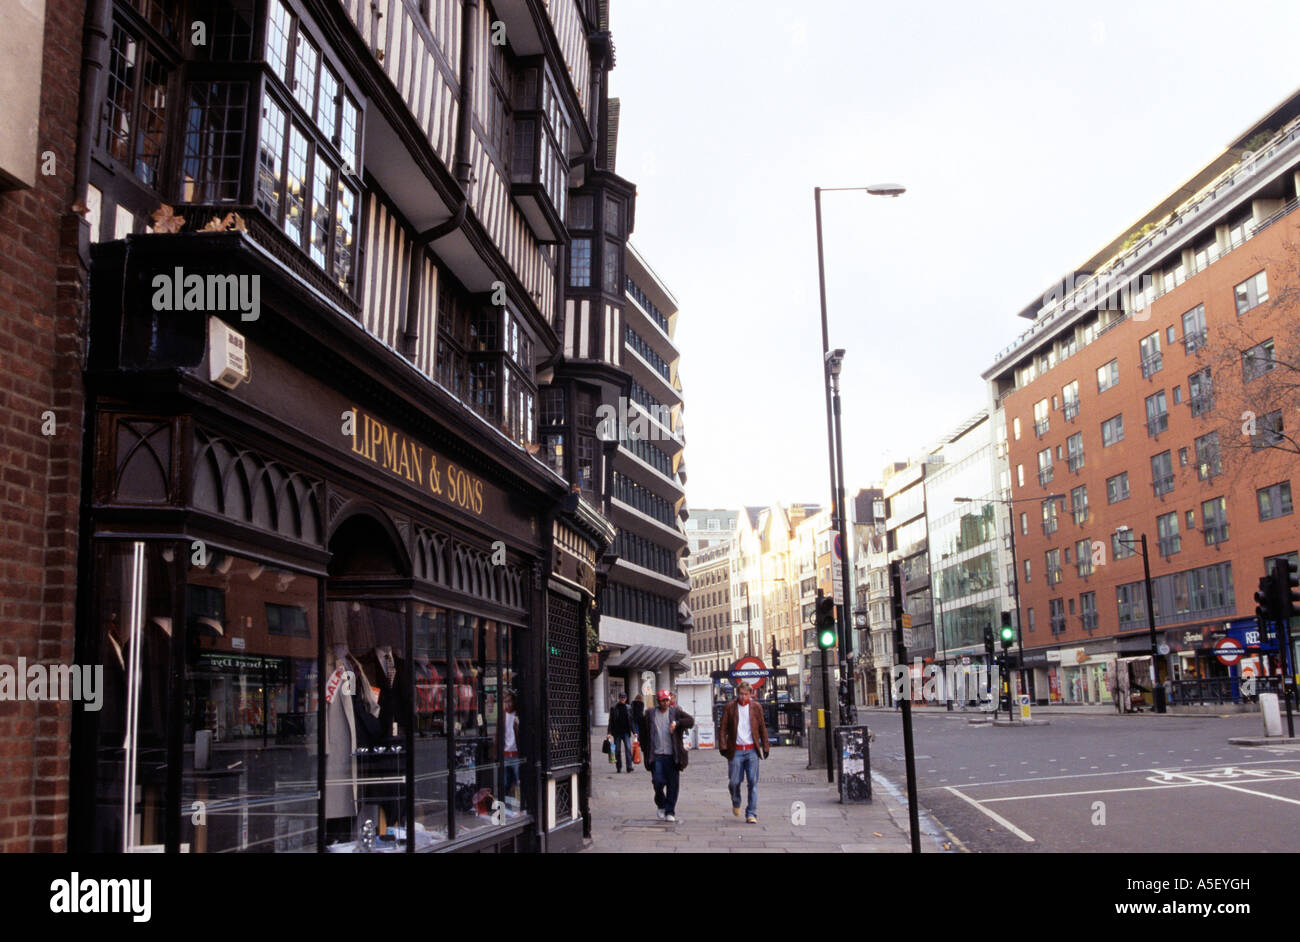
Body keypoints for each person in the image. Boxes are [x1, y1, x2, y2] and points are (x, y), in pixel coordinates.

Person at [638, 688, 694, 822]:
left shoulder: (675, 712)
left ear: (670, 700)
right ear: (658, 701)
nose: (665, 703)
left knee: (673, 785)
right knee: (657, 782)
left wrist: (678, 723)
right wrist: (645, 748)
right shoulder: (651, 714)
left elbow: (690, 721)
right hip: (657, 755)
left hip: (672, 755)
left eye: (667, 700)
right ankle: (661, 803)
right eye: (662, 700)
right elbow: (643, 732)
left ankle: (670, 811)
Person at [717, 681, 769, 823]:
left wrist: (765, 746)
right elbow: (722, 728)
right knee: (734, 782)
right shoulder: (730, 707)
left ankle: (751, 813)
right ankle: (736, 800)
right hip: (736, 750)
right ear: (737, 694)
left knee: (753, 782)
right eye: (741, 694)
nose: (743, 697)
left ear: (750, 694)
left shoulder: (756, 707)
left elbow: (762, 727)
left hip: (751, 750)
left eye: (746, 694)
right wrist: (722, 746)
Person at [606, 692, 635, 773]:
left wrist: (634, 731)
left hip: (626, 732)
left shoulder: (629, 708)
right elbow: (611, 721)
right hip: (617, 732)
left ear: (626, 698)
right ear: (619, 698)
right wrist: (609, 732)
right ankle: (618, 767)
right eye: (621, 697)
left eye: (624, 697)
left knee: (628, 749)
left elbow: (631, 721)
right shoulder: (614, 708)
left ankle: (629, 767)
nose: (623, 699)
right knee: (617, 750)